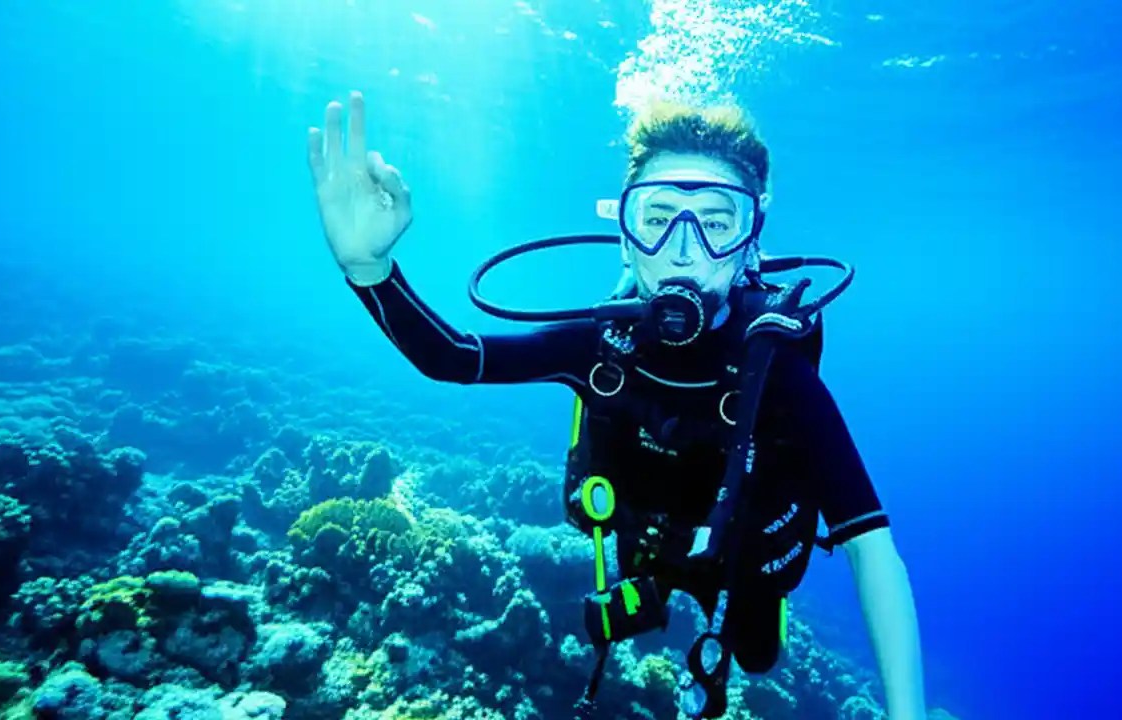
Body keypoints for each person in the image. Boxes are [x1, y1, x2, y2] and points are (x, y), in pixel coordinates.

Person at [307, 90, 928, 720]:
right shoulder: (600, 348)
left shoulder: (781, 375)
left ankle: (738, 614)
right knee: (634, 597)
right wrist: (370, 267)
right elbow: (454, 358)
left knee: (758, 654)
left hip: (747, 558)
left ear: (750, 247)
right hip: (646, 539)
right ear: (626, 240)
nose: (685, 250)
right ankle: (658, 588)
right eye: (658, 217)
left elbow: (870, 542)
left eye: (716, 222)